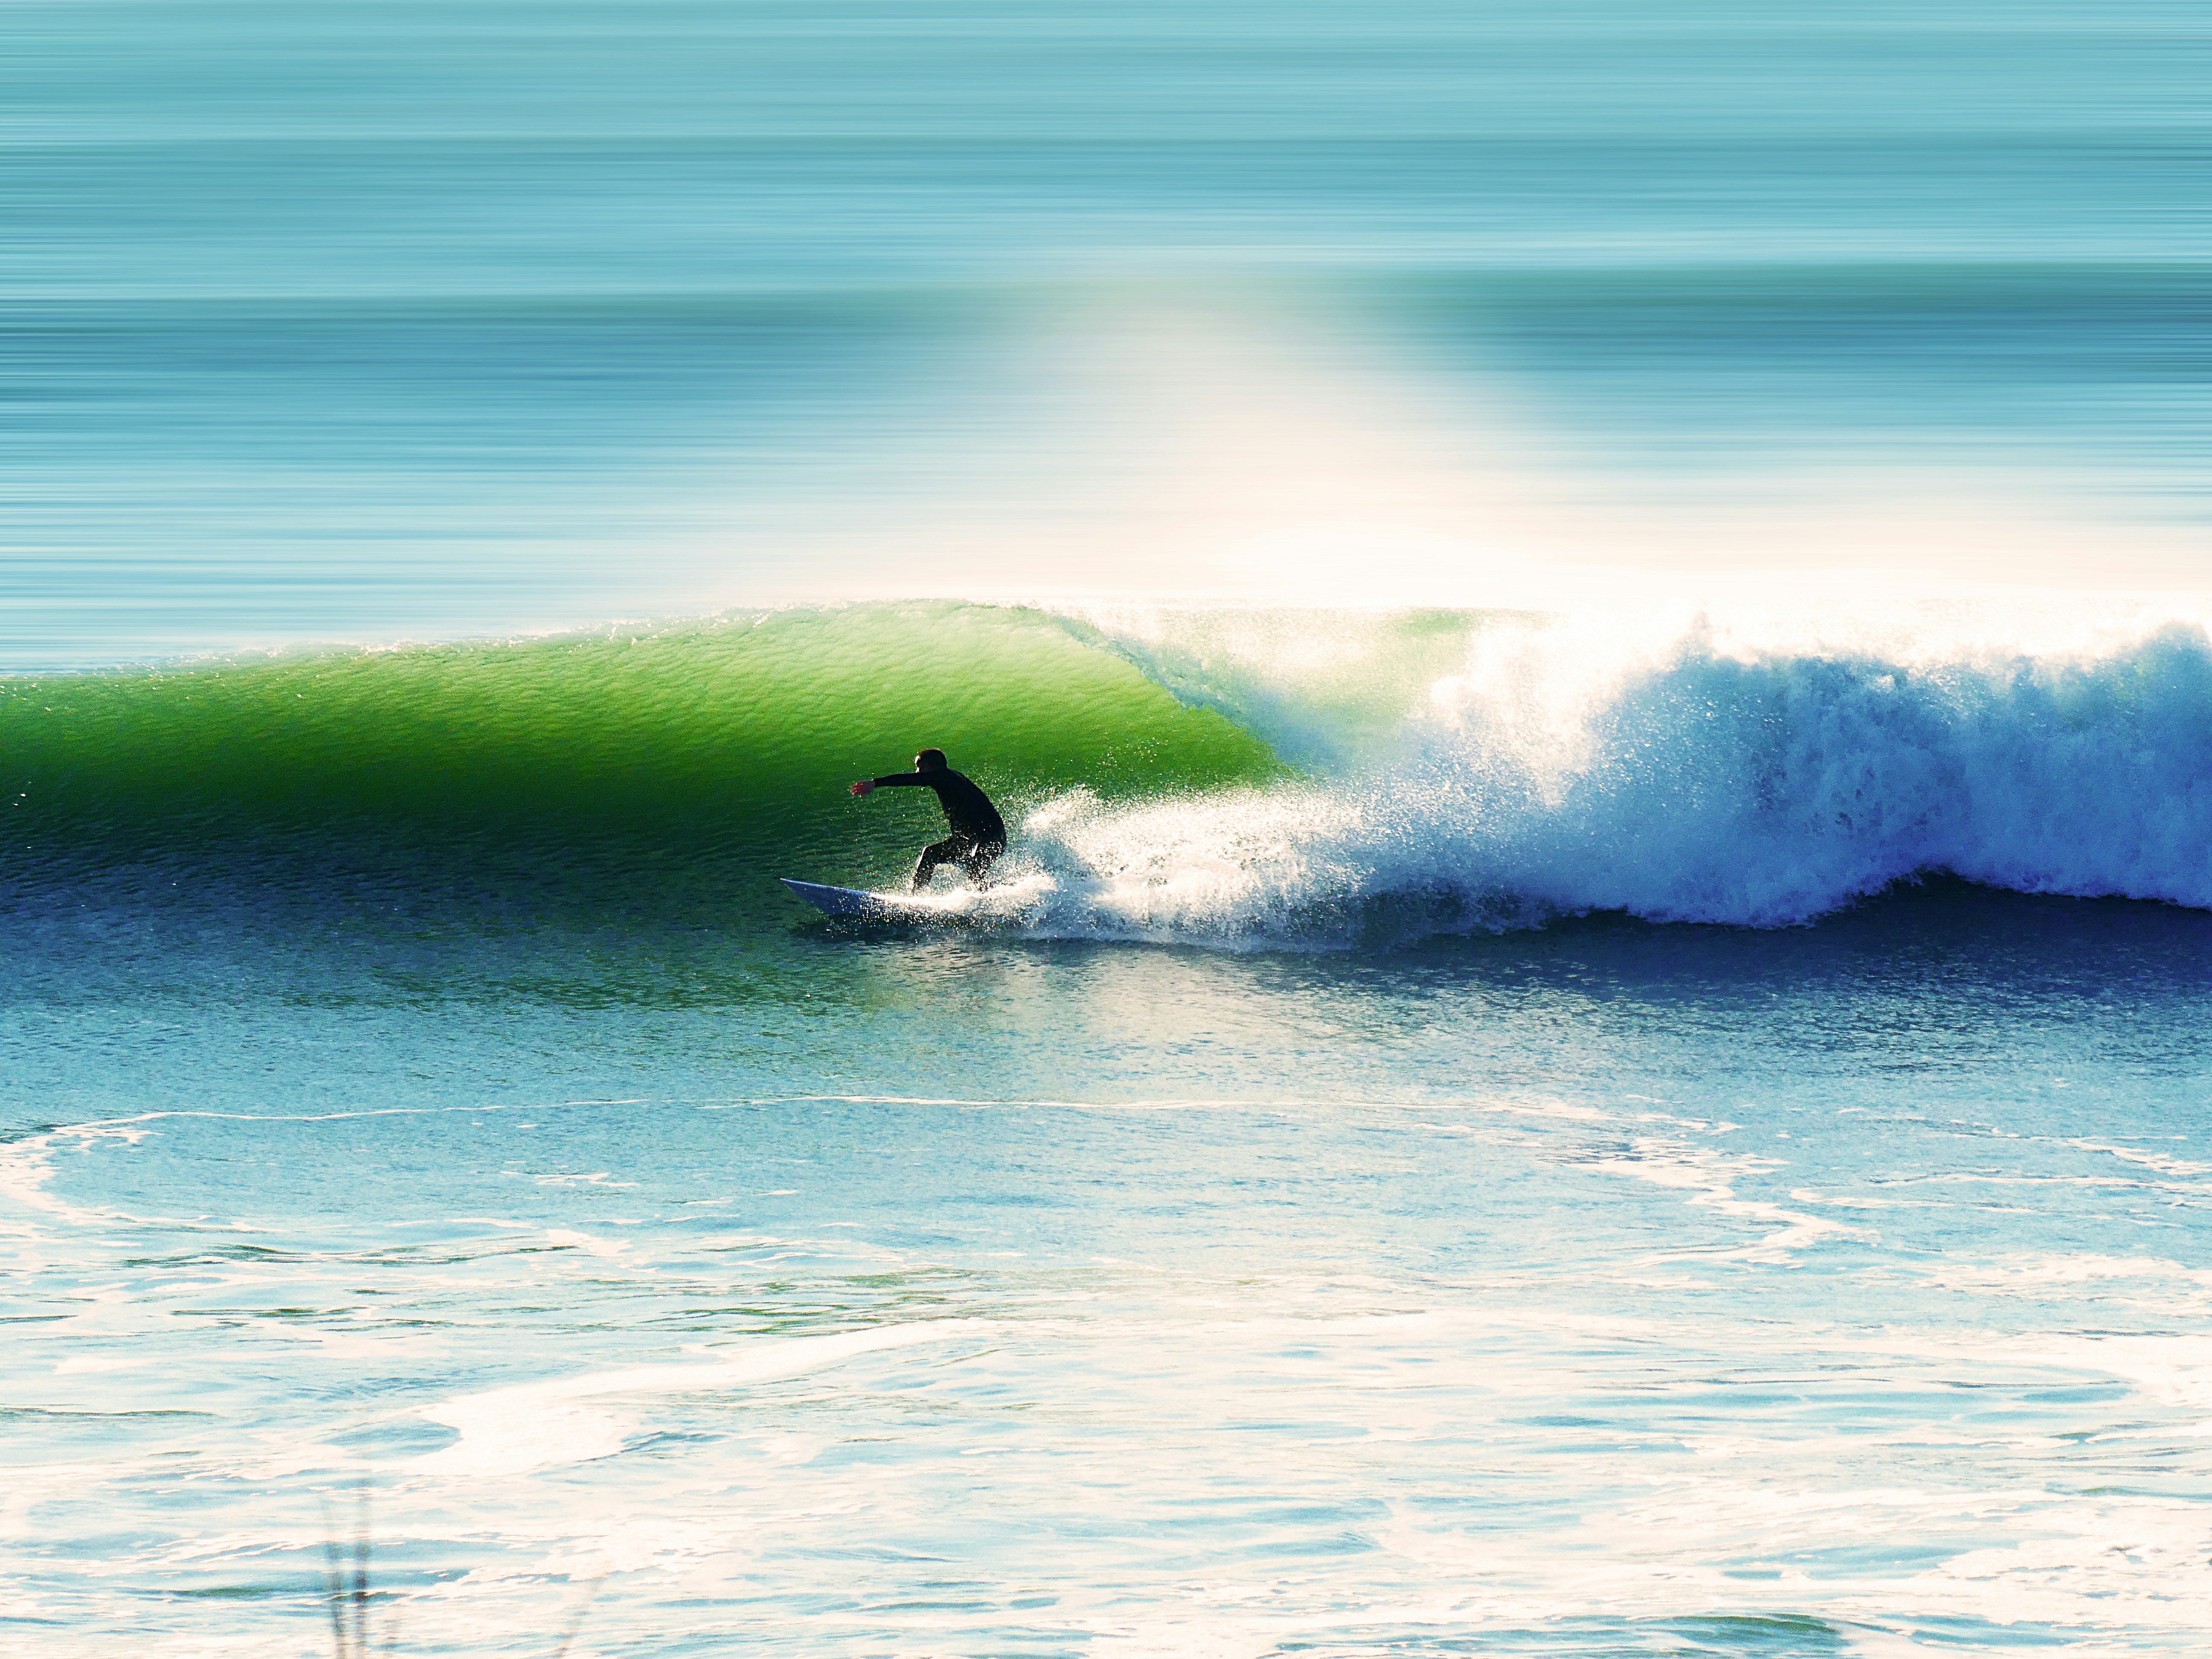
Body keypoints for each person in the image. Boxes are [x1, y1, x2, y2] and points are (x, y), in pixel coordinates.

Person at [850, 748, 1007, 891]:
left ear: (932, 767)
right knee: (930, 854)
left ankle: (991, 903)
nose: (918, 772)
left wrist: (876, 783)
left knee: (975, 869)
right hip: (971, 839)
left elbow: (909, 780)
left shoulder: (945, 776)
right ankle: (915, 898)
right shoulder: (948, 779)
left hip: (991, 836)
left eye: (920, 767)